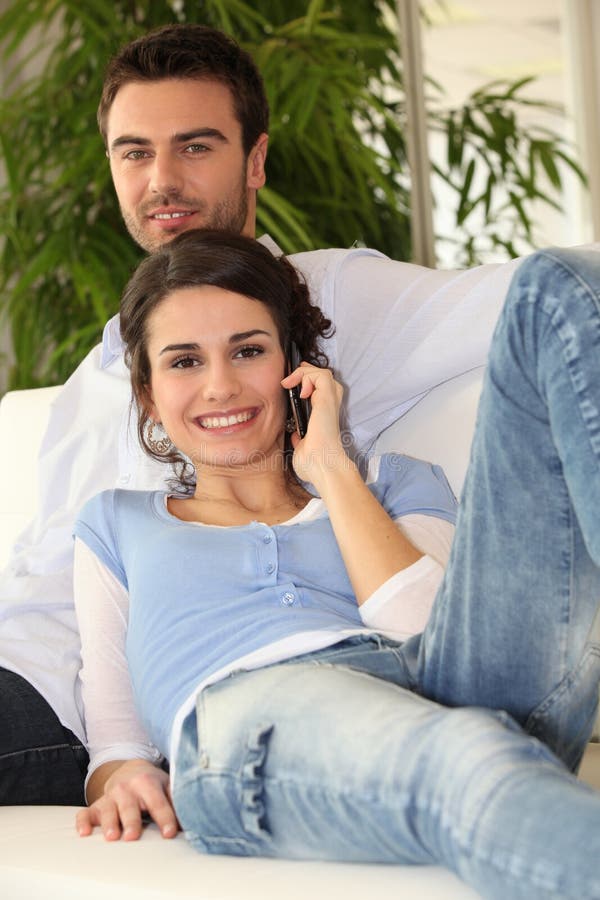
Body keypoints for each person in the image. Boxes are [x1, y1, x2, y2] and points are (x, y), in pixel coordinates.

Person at [0, 22, 593, 805]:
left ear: (255, 161)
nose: (162, 180)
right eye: (135, 152)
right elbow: (42, 563)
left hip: (86, 700)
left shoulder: (333, 297)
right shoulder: (95, 374)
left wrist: (119, 749)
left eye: (196, 146)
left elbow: (557, 298)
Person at [73, 228, 600, 900]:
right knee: (467, 757)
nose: (221, 386)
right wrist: (124, 777)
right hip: (255, 714)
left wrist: (331, 468)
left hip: (442, 687)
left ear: (293, 366)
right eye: (184, 362)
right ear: (148, 394)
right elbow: (115, 745)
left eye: (248, 350)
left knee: (557, 288)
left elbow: (433, 641)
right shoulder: (115, 523)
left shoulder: (394, 482)